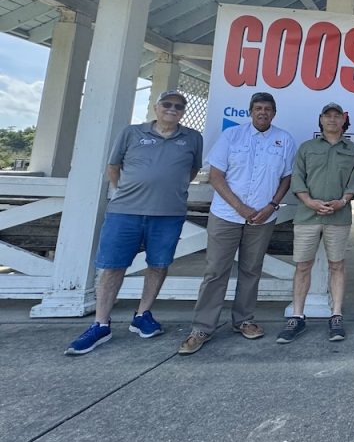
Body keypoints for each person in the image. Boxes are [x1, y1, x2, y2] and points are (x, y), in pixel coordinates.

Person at [65, 90, 203, 356]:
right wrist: (127, 191)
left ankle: (142, 314)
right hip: (125, 212)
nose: (172, 109)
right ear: (156, 107)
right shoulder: (131, 133)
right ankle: (101, 323)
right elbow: (113, 167)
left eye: (178, 106)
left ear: (183, 112)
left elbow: (192, 170)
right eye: (167, 104)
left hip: (168, 214)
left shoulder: (193, 138)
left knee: (159, 265)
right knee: (112, 267)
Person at [178, 92, 296, 355]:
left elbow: (286, 178)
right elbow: (216, 176)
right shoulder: (231, 136)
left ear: (274, 113)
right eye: (258, 108)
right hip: (226, 215)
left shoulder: (284, 139)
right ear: (250, 111)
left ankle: (243, 320)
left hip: (263, 217)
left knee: (251, 269)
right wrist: (240, 207)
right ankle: (202, 328)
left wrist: (272, 205)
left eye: (267, 109)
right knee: (215, 271)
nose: (263, 112)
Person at [275, 102, 354, 344]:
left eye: (337, 116)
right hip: (307, 216)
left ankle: (336, 315)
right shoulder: (307, 147)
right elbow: (297, 178)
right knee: (303, 265)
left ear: (344, 121)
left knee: (337, 265)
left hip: (338, 217)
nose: (332, 119)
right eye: (328, 115)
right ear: (321, 119)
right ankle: (297, 316)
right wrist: (309, 202)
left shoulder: (353, 150)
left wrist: (342, 201)